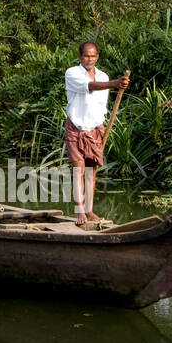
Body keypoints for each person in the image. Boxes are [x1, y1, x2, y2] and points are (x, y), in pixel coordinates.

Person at [64, 41, 128, 225]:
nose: (89, 59)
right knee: (79, 169)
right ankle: (80, 212)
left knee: (92, 171)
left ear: (97, 57)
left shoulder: (103, 75)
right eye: (86, 56)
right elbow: (90, 86)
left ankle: (89, 211)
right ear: (80, 57)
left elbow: (101, 105)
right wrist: (115, 83)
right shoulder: (72, 73)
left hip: (95, 129)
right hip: (76, 126)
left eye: (93, 56)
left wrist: (100, 126)